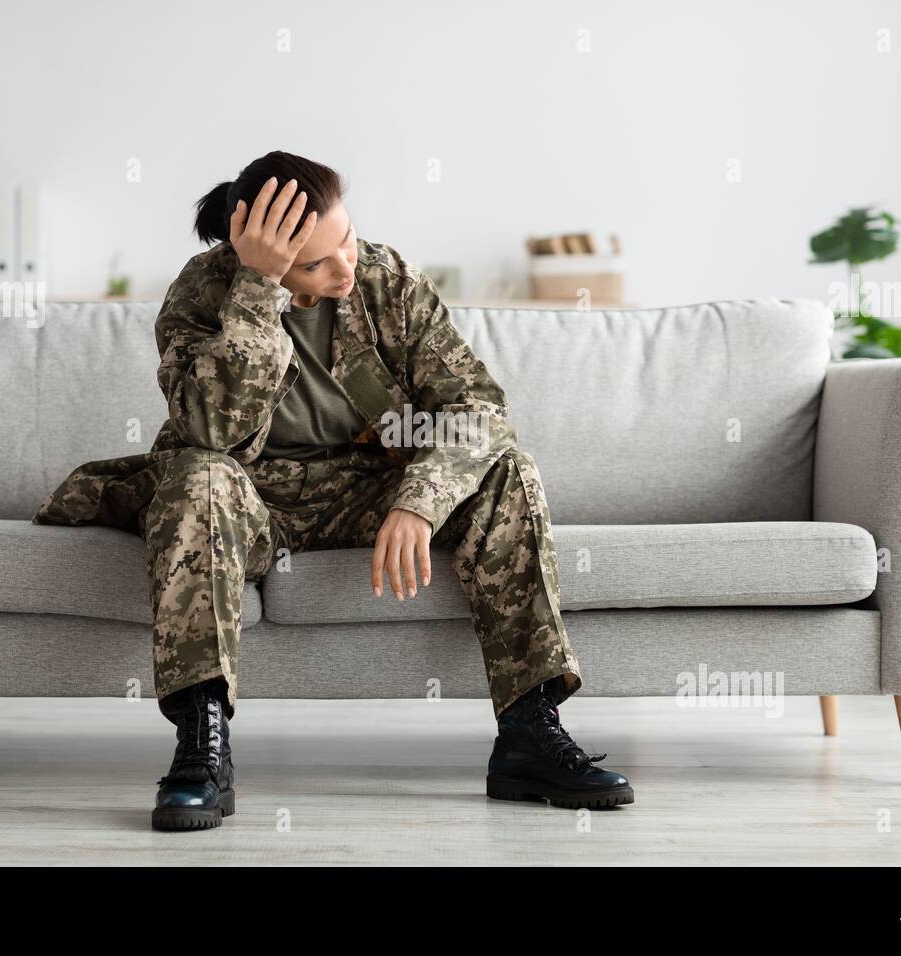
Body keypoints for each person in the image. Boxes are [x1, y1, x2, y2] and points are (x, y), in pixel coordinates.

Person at [31, 150, 634, 831]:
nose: (346, 266)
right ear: (261, 255)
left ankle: (529, 733)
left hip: (367, 490)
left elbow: (478, 411)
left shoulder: (385, 279)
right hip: (251, 498)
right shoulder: (203, 294)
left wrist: (420, 500)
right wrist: (258, 294)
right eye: (317, 263)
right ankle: (201, 748)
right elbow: (210, 430)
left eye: (345, 239)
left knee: (507, 469)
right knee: (196, 477)